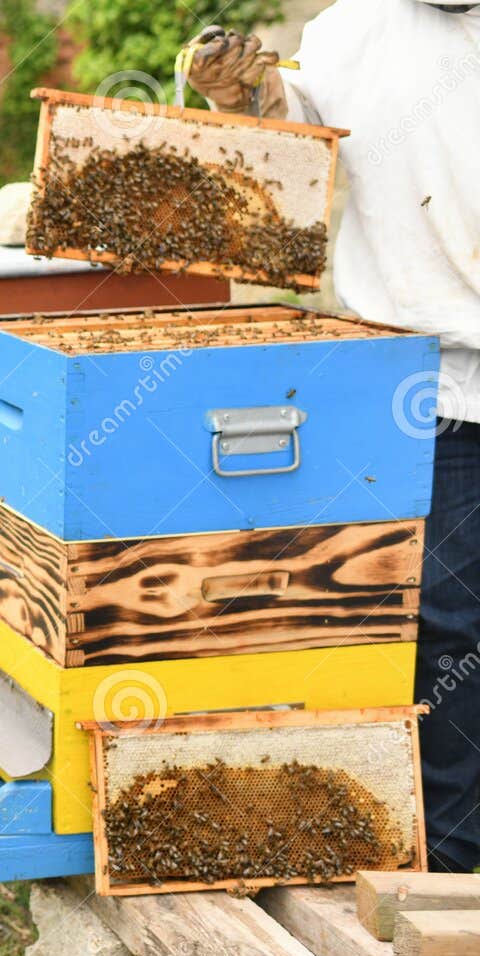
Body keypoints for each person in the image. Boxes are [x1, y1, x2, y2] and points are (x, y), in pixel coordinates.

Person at [189, 1, 480, 872]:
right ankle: (461, 868)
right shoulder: (350, 31)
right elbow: (286, 135)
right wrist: (242, 93)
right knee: (453, 630)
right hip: (436, 383)